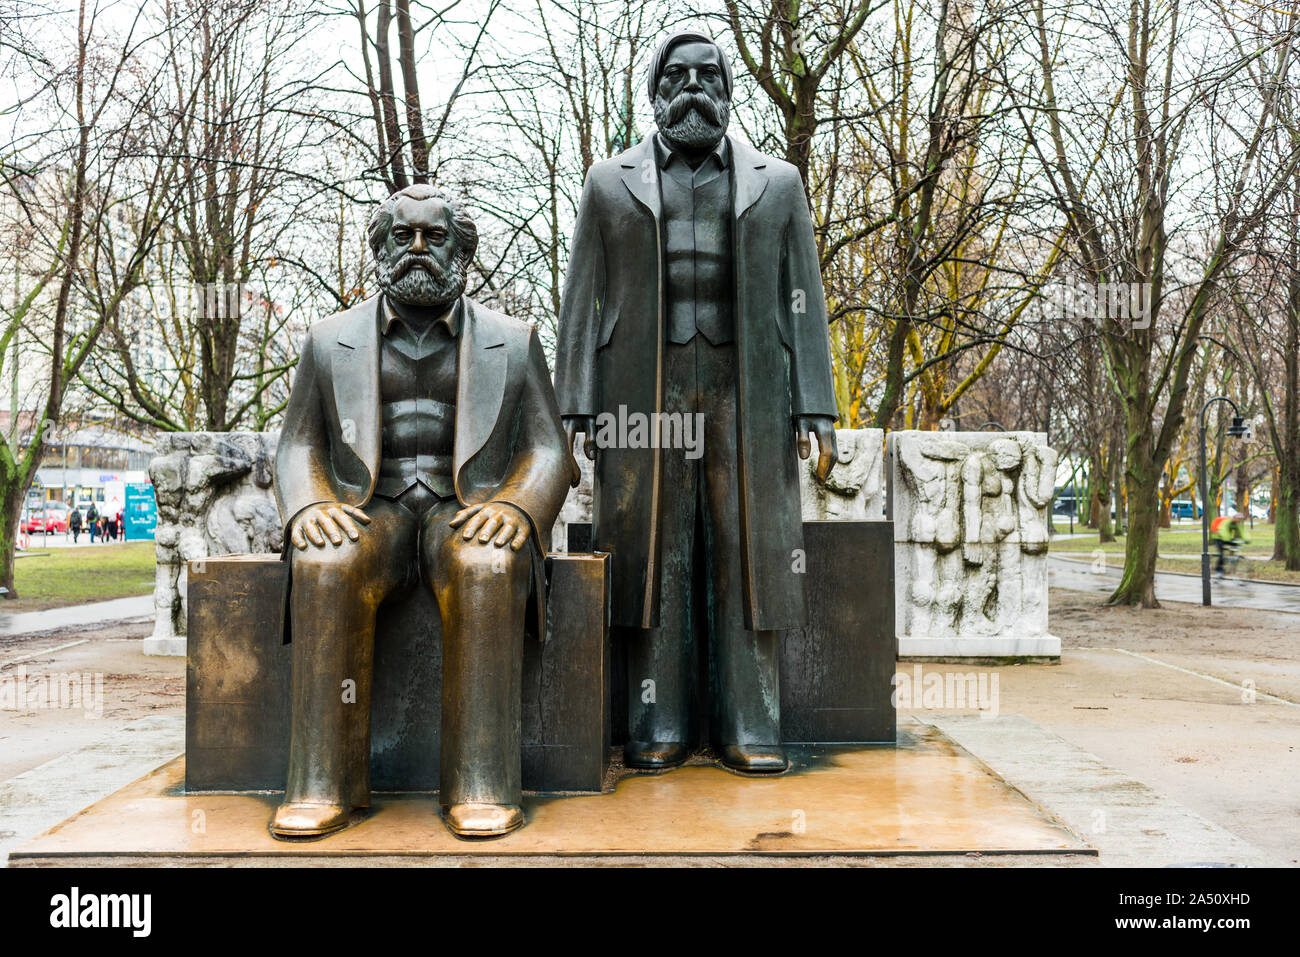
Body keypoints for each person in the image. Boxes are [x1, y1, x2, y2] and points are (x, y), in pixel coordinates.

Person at [555, 31, 839, 774]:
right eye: (675, 76)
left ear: (727, 90)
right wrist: (575, 406)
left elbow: (802, 300)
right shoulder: (606, 182)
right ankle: (660, 721)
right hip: (641, 388)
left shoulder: (778, 183)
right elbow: (583, 296)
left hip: (749, 386)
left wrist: (816, 406)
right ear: (654, 92)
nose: (692, 88)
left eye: (707, 75)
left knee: (749, 549)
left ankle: (753, 721)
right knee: (657, 548)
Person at [270, 184, 571, 840]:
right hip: (368, 510)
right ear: (378, 248)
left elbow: (549, 448)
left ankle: (482, 782)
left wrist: (519, 505)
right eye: (401, 236)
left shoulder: (514, 340)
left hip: (462, 509)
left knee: (488, 563)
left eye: (434, 237)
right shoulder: (327, 340)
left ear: (463, 251)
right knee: (325, 561)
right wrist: (311, 503)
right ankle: (324, 784)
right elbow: (296, 444)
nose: (416, 250)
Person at [1211, 511, 1251, 576]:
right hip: (1218, 538)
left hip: (1227, 538)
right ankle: (1218, 569)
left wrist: (1247, 539)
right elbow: (1223, 530)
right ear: (1234, 517)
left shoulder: (1236, 524)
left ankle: (1232, 559)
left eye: (1240, 519)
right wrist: (1229, 539)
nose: (1239, 520)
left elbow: (1242, 532)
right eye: (1238, 518)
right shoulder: (1227, 521)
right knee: (1221, 554)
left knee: (1236, 545)